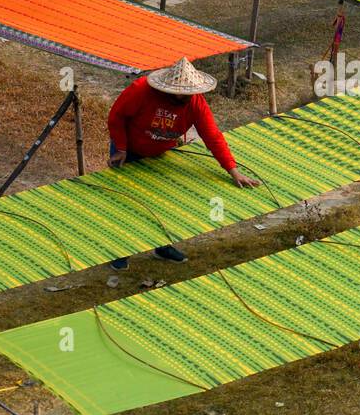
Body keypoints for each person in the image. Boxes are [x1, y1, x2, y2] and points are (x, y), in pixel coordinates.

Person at [107, 57, 259, 268]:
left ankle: (163, 246)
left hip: (162, 153)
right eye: (181, 92)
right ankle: (121, 252)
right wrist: (121, 148)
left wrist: (232, 170)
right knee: (129, 202)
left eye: (189, 92)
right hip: (129, 151)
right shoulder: (140, 90)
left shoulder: (195, 102)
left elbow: (212, 135)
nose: (185, 96)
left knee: (164, 201)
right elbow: (117, 116)